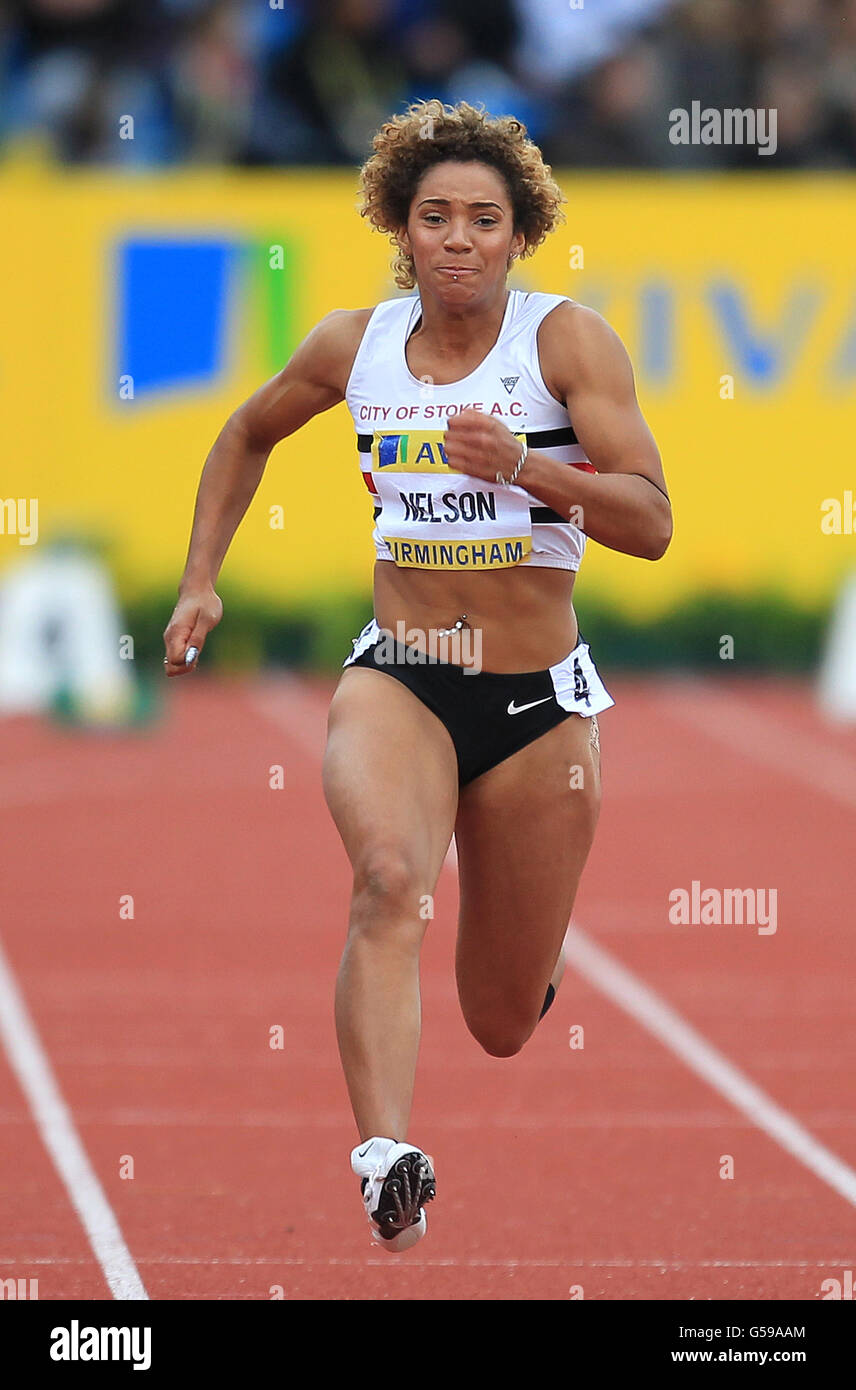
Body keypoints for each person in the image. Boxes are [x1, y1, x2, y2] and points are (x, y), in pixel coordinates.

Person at [163, 99, 672, 1252]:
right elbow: (246, 431)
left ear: (519, 236)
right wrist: (201, 578)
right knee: (389, 879)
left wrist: (538, 475)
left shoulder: (566, 345)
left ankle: (524, 968)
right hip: (402, 672)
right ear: (400, 226)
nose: (456, 239)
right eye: (433, 216)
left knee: (498, 1020)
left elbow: (650, 523)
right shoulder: (355, 345)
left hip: (539, 707)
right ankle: (386, 1154)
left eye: (481, 220)